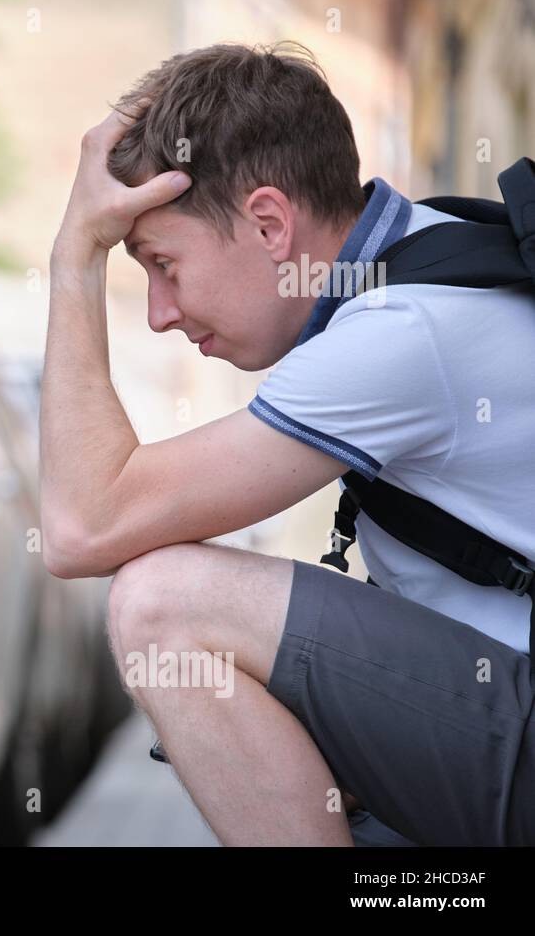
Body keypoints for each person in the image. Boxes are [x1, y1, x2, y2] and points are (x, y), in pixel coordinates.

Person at [38, 41, 535, 845]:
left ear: (269, 223)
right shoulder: (427, 253)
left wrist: (73, 259)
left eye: (163, 264)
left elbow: (81, 526)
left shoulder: (397, 333)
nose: (161, 313)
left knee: (163, 604)